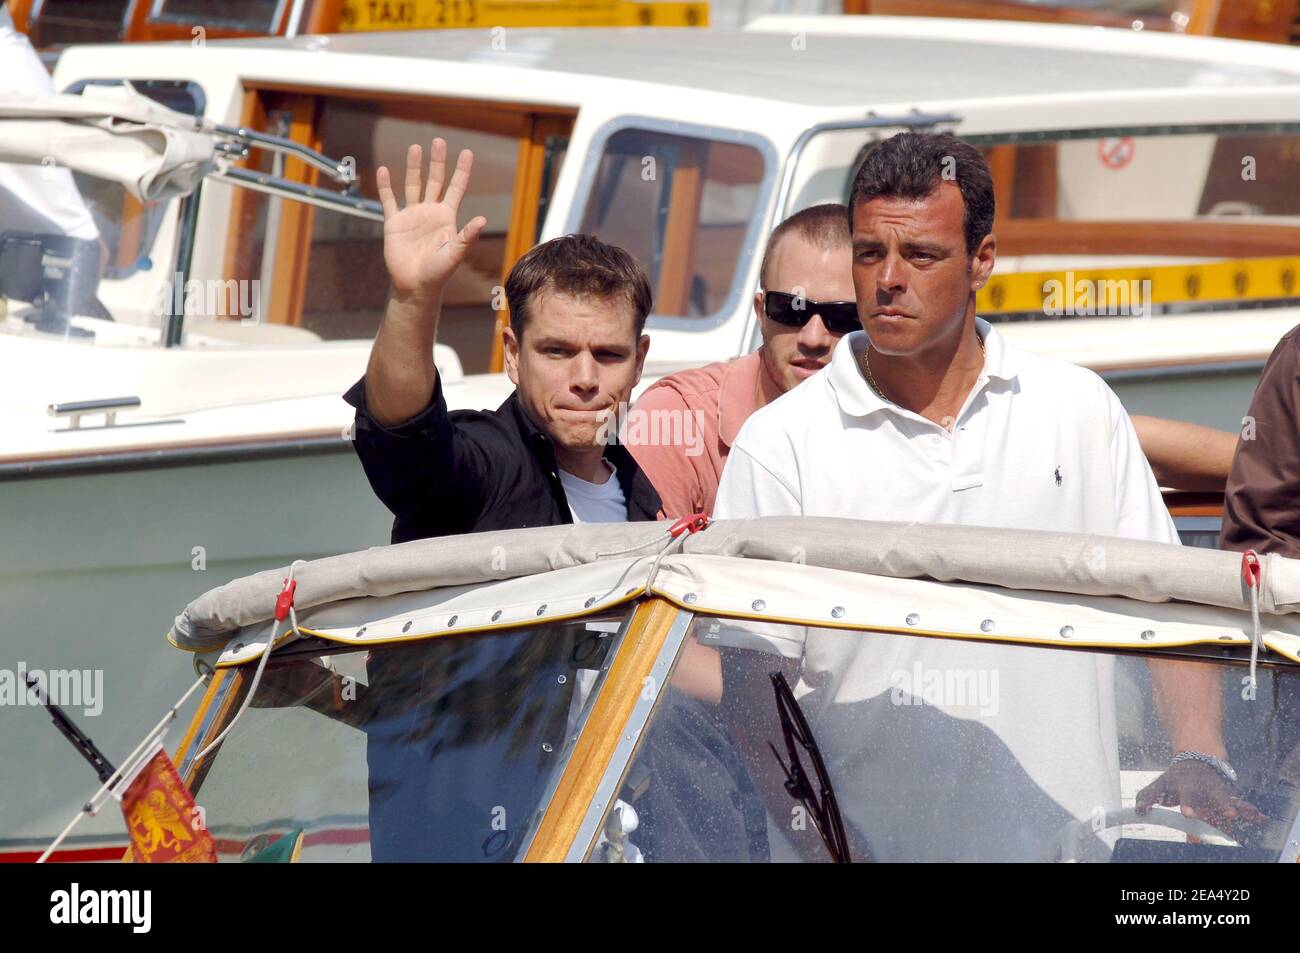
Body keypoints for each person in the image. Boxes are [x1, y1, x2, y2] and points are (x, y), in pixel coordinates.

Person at [710, 131, 1256, 858]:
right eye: (870, 253)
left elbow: (1170, 596)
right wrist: (828, 850)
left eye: (921, 255)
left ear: (983, 260)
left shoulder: (1079, 410)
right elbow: (755, 700)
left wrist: (1197, 752)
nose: (887, 279)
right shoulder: (777, 446)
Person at [631, 205, 1236, 520]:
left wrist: (1269, 477)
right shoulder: (677, 421)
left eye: (842, 314)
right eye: (793, 309)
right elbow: (639, 609)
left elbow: (1116, 438)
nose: (815, 335)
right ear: (760, 310)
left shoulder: (921, 403)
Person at [343, 140, 661, 543]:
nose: (585, 378)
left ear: (639, 362)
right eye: (557, 351)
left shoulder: (643, 497)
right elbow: (404, 439)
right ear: (513, 354)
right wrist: (414, 298)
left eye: (608, 354)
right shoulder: (483, 467)